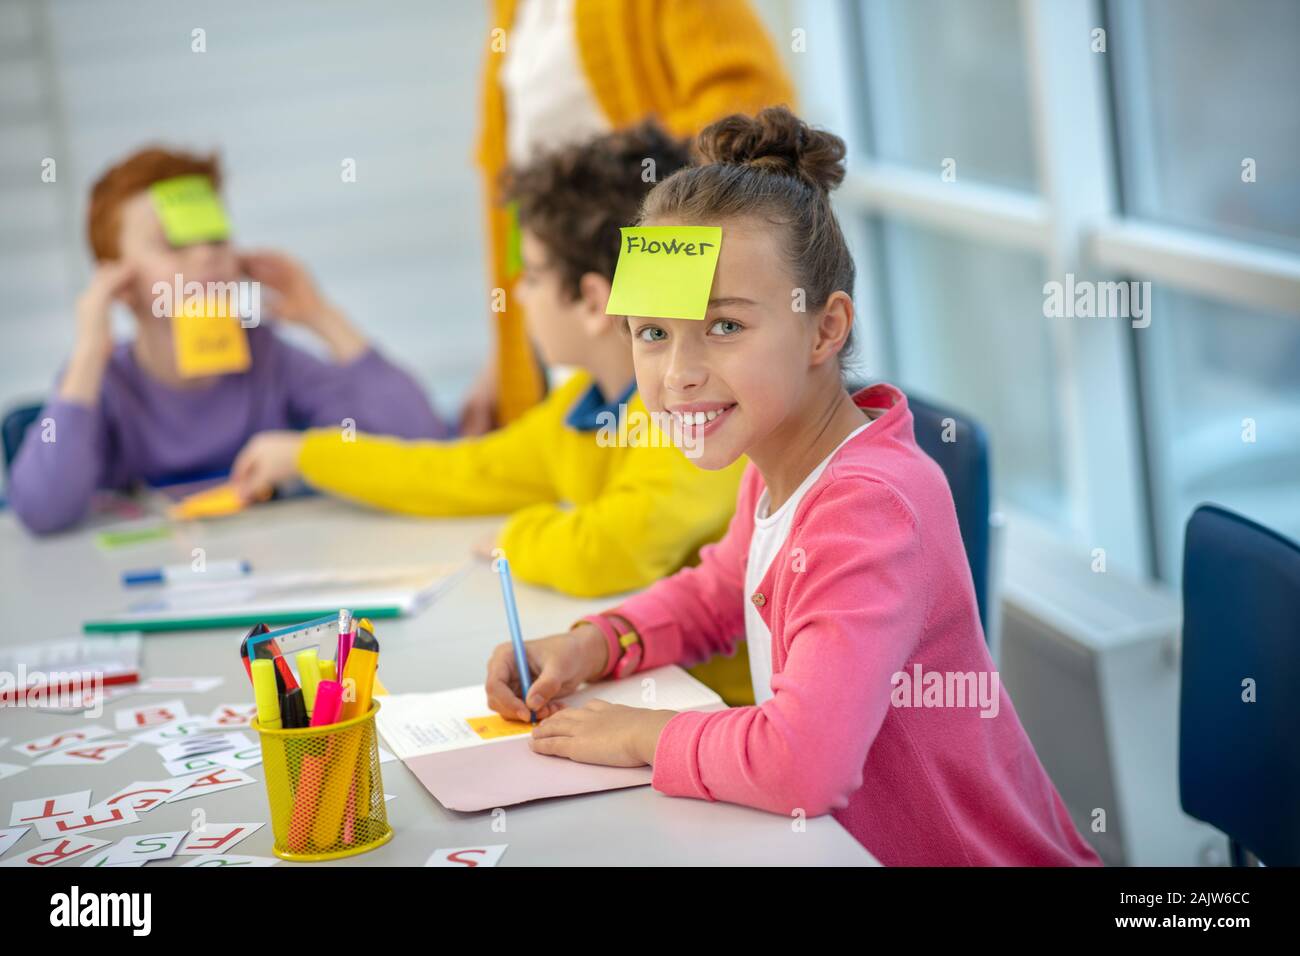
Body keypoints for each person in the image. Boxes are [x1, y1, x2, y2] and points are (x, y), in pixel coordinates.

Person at [483, 108, 1102, 866]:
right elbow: (721, 590)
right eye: (651, 331)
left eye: (724, 327)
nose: (678, 373)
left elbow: (804, 763)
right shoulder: (782, 459)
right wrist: (594, 644)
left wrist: (642, 735)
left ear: (824, 329)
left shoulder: (868, 506)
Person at [230, 123, 745, 598]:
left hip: (718, 694)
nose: (519, 296)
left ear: (592, 302)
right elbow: (457, 473)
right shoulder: (579, 409)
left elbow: (609, 551)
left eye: (535, 276)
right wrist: (307, 455)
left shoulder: (694, 408)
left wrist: (517, 536)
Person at [9, 147, 447, 535]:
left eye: (216, 236)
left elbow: (420, 443)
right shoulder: (102, 383)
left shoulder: (271, 359)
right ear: (120, 283)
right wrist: (88, 353)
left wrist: (322, 317)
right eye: (174, 244)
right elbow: (41, 509)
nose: (206, 255)